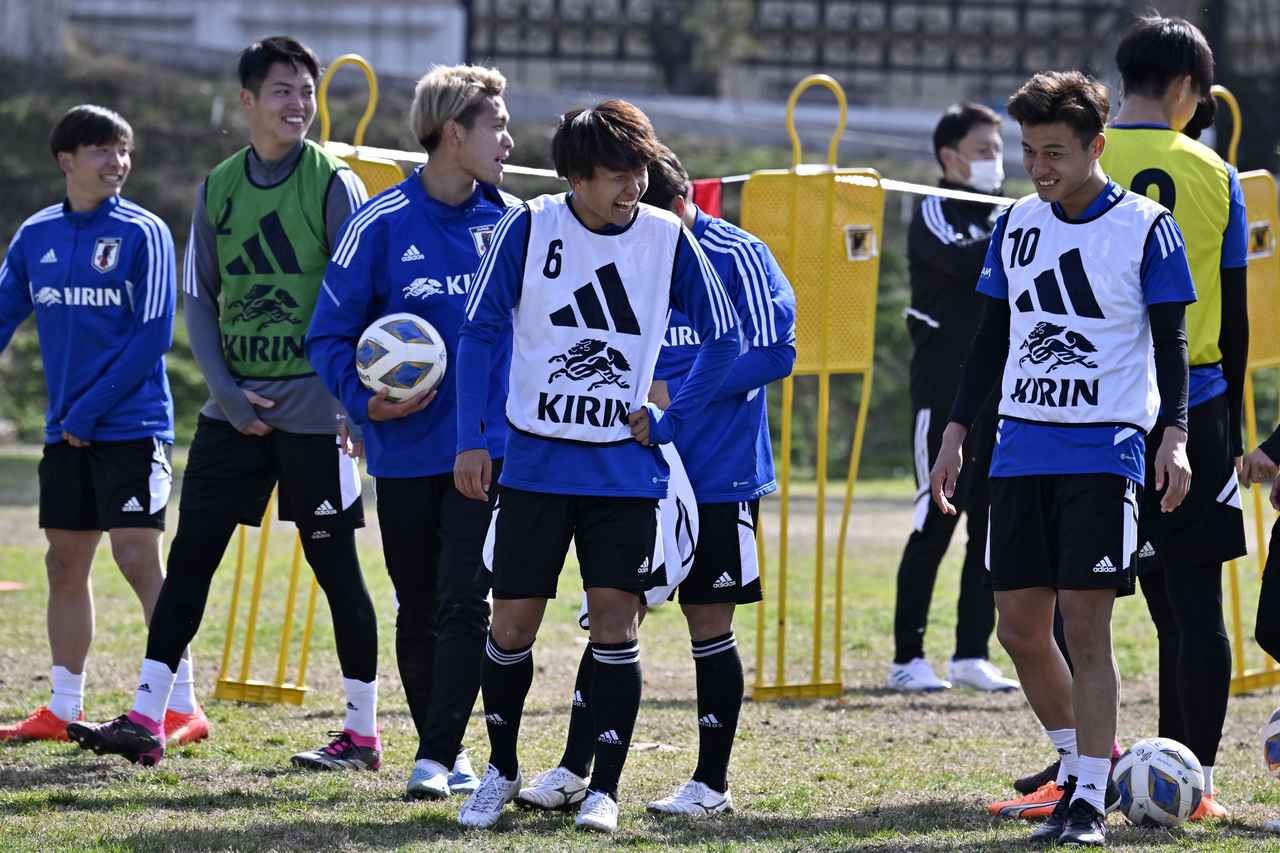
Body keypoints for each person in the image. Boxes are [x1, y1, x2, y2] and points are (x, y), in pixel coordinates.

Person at [67, 36, 379, 771]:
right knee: (192, 560)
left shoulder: (334, 183)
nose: (298, 103)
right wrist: (229, 395)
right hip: (233, 415)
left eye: (306, 91)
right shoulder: (221, 184)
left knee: (339, 574)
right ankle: (147, 716)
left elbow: (363, 296)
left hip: (317, 416)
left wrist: (348, 401)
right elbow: (198, 301)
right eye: (282, 90)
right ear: (247, 101)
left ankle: (362, 733)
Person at [451, 100, 739, 833]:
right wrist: (472, 436)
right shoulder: (530, 225)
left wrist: (671, 417)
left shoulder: (667, 237)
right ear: (575, 177)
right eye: (616, 176)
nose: (632, 188)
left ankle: (603, 786)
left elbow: (724, 336)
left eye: (639, 171)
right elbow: (479, 329)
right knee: (511, 624)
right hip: (536, 466)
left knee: (615, 625)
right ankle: (500, 766)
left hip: (621, 472)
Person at [931, 70, 1195, 847]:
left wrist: (1172, 433)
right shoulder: (1017, 223)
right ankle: (1086, 764)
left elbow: (1172, 342)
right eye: (1029, 151)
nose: (1039, 168)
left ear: (1096, 147)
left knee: (1086, 627)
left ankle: (1083, 801)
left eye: (1055, 152)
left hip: (1104, 449)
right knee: (1018, 626)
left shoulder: (1148, 227)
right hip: (1018, 447)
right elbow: (989, 343)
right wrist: (955, 432)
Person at [998, 17, 1251, 819]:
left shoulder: (1070, 168)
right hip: (1188, 407)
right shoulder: (1215, 171)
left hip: (1088, 412)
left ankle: (1087, 765)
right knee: (1190, 605)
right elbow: (1232, 315)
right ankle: (1189, 777)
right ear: (1187, 87)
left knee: (1077, 606)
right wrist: (1229, 432)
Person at [515, 145, 796, 818]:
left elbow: (776, 350)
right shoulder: (618, 247)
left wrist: (679, 397)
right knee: (613, 620)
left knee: (709, 624)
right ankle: (574, 768)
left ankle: (711, 782)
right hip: (632, 473)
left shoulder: (736, 254)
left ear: (677, 206)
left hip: (720, 476)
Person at [306, 63, 519, 798]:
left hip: (486, 452)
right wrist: (365, 407)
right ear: (452, 133)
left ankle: (436, 753)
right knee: (418, 599)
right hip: (402, 451)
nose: (509, 138)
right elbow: (327, 337)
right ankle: (445, 742)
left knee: (466, 595)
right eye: (496, 124)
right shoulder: (381, 224)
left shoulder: (513, 222)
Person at [0, 105, 201, 746]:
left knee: (138, 558)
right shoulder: (35, 235)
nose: (117, 162)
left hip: (133, 425)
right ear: (67, 159)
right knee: (65, 563)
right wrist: (72, 420)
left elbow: (151, 339)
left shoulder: (146, 233)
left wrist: (87, 411)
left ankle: (181, 705)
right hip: (68, 434)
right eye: (103, 150)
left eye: (124, 151)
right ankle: (63, 706)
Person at [888, 103, 1018, 694]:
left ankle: (971, 652)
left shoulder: (1009, 212)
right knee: (933, 521)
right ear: (950, 157)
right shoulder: (934, 209)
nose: (997, 161)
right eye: (985, 149)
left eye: (999, 149)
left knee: (989, 529)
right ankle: (906, 657)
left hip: (1001, 396)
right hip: (942, 394)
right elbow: (970, 260)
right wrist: (1014, 228)